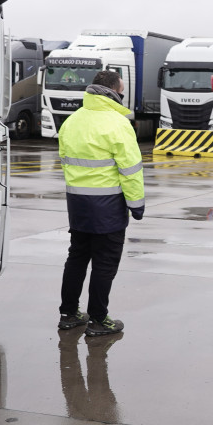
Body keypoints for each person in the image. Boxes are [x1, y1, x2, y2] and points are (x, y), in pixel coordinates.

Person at [56, 71, 144, 337]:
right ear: (114, 92)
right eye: (122, 90)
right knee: (104, 264)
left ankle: (69, 314)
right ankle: (98, 319)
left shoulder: (71, 121)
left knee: (77, 258)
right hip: (108, 205)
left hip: (78, 204)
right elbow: (130, 170)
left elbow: (65, 160)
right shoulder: (118, 124)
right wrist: (136, 204)